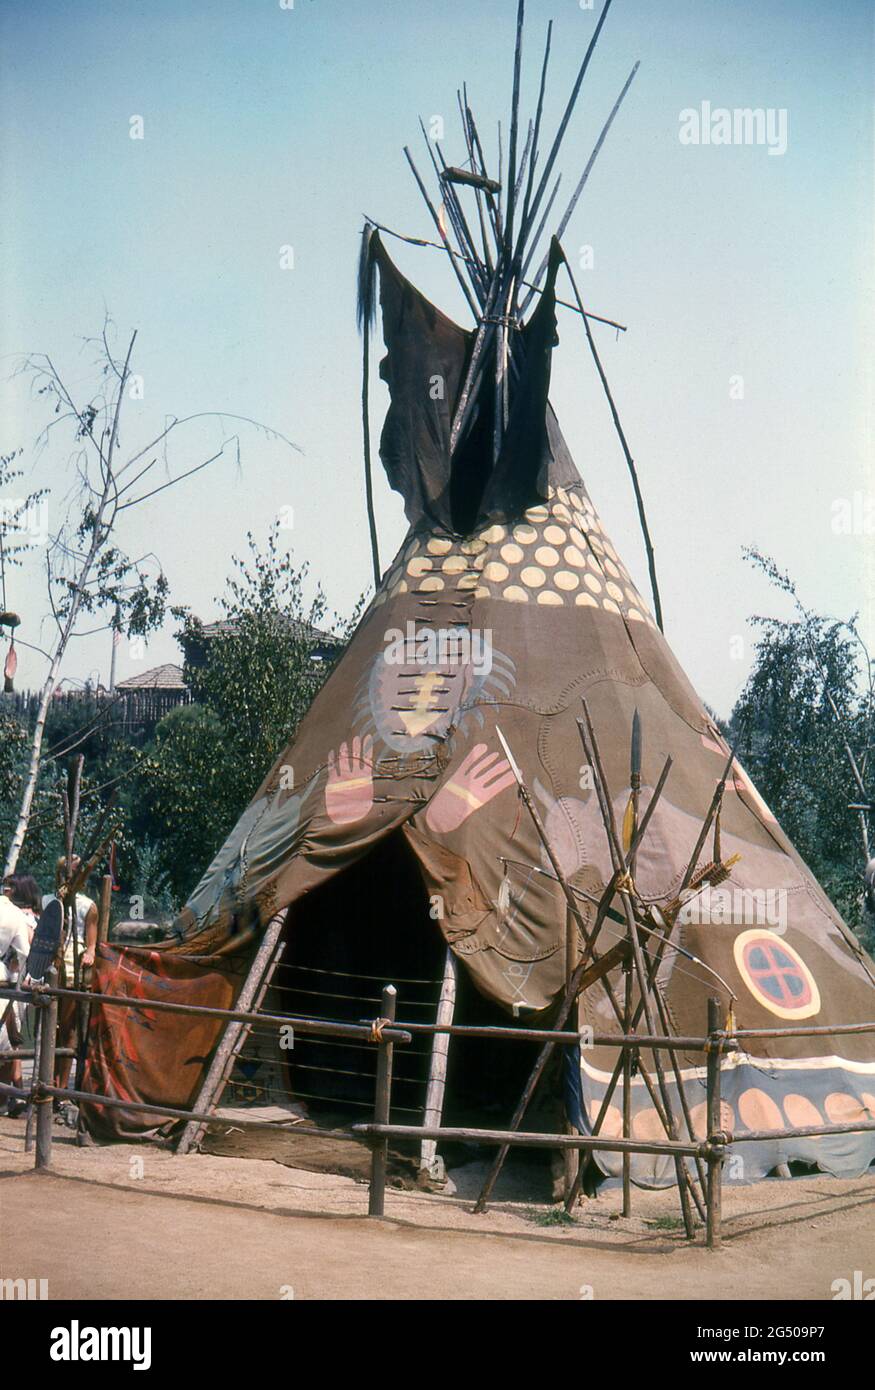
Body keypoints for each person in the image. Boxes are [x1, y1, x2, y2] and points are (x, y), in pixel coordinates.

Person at [42, 856, 99, 1101]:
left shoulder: (88, 906)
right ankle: (46, 1079)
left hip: (72, 968)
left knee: (67, 1028)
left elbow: (91, 943)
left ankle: (61, 1086)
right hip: (49, 966)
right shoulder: (48, 901)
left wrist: (89, 953)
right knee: (46, 1026)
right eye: (66, 873)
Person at [0, 889, 31, 1116]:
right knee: (5, 1047)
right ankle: (2, 1102)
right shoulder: (15, 915)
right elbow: (24, 951)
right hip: (2, 979)